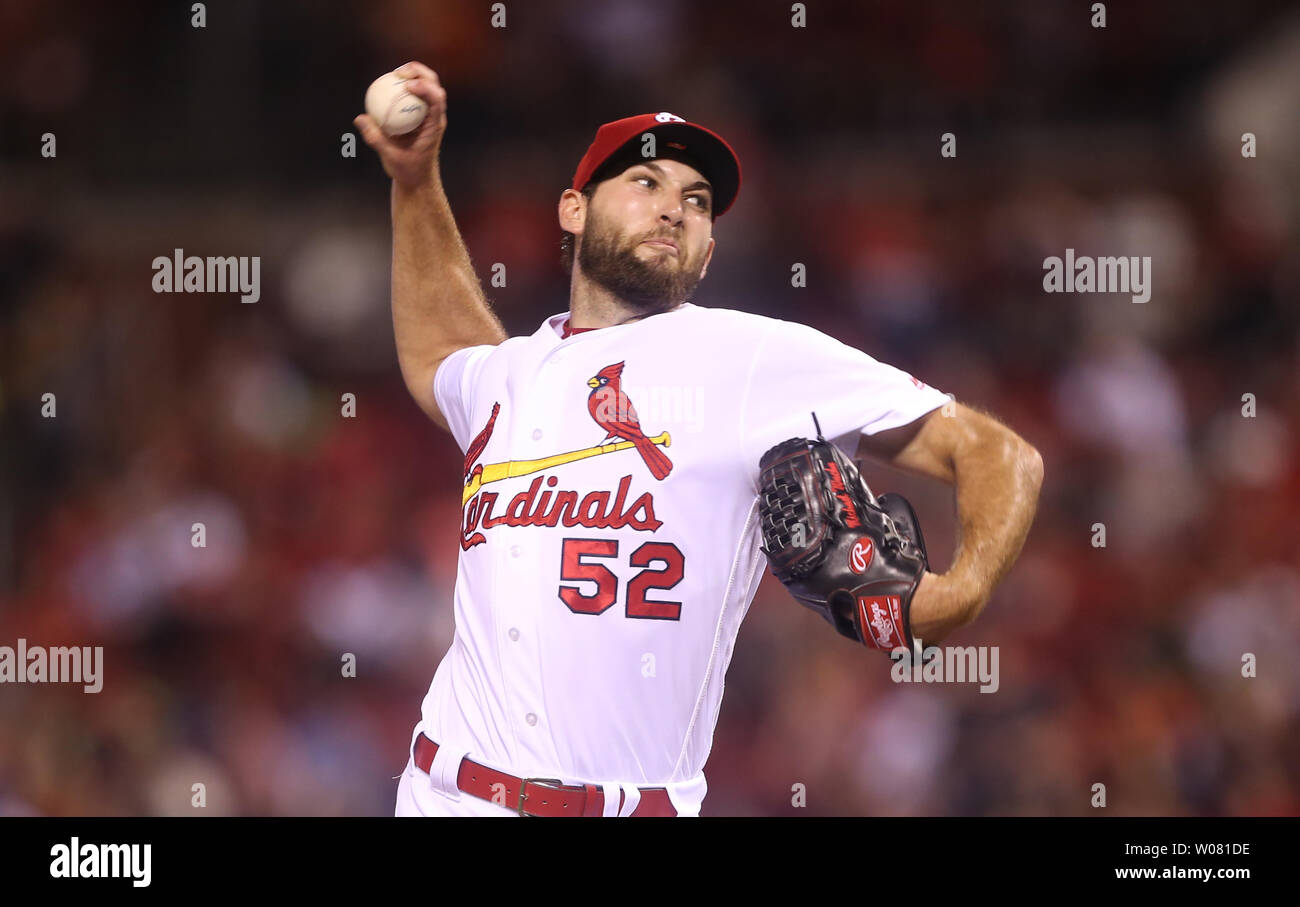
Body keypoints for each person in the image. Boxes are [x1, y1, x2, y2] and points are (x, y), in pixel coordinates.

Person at [354, 62, 1044, 817]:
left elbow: (997, 452)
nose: (674, 208)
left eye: (697, 199)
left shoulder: (755, 359)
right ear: (573, 210)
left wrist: (964, 589)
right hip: (444, 793)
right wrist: (416, 182)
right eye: (646, 182)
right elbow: (439, 354)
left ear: (709, 252)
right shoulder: (507, 375)